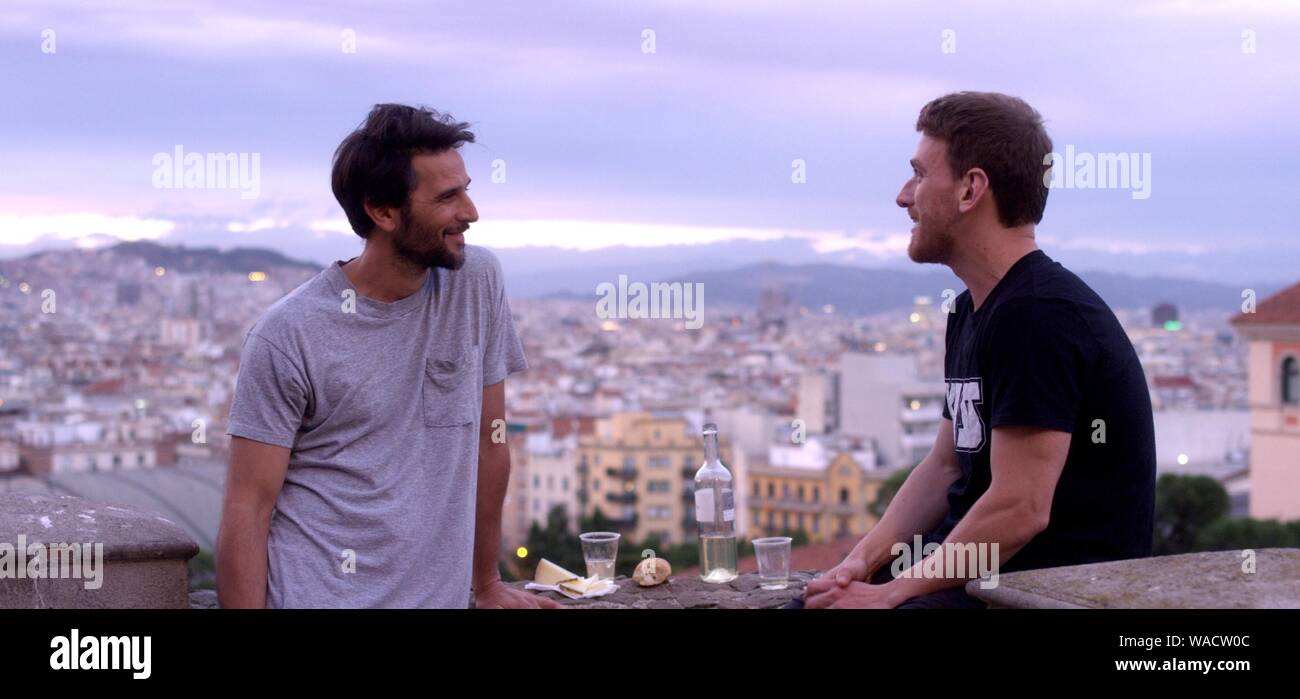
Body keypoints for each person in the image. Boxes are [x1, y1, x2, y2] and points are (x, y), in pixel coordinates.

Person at [801, 92, 1156, 609]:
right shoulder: (974, 309)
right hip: (982, 581)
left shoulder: (1039, 315)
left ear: (970, 189)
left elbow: (1021, 506)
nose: (904, 196)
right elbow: (944, 466)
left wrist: (892, 593)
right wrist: (860, 562)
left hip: (1043, 592)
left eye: (920, 174)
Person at [216, 103, 558, 609]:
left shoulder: (476, 282)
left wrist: (485, 585)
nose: (471, 211)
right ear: (383, 211)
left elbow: (491, 442)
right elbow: (249, 507)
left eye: (466, 189)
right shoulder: (288, 335)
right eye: (448, 197)